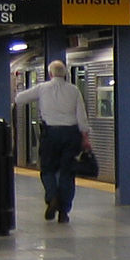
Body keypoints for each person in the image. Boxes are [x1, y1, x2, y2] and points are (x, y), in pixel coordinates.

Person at [13, 61, 92, 224]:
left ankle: (52, 196)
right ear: (65, 74)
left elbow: (19, 99)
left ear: (50, 74)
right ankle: (64, 211)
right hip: (71, 134)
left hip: (50, 134)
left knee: (47, 169)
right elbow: (81, 116)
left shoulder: (42, 88)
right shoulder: (74, 90)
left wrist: (17, 87)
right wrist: (85, 137)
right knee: (67, 173)